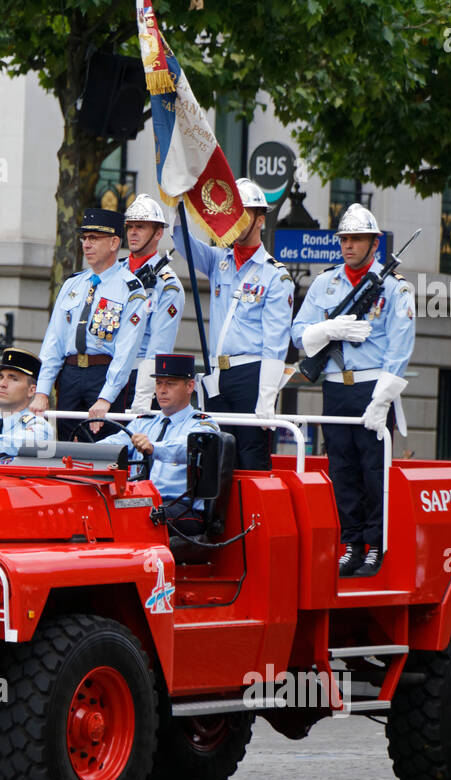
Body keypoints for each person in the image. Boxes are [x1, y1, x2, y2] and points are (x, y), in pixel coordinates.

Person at [291, 203, 415, 578]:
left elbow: (400, 345)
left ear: (374, 243)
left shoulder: (394, 288)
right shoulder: (325, 283)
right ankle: (352, 544)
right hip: (335, 388)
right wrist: (327, 331)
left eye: (357, 239)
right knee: (342, 470)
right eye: (344, 239)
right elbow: (298, 332)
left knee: (373, 471)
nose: (349, 245)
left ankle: (376, 545)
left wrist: (382, 400)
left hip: (371, 389)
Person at [173, 177, 294, 470]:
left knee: (251, 456)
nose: (237, 221)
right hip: (218, 373)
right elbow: (182, 241)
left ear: (260, 220)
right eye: (233, 214)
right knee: (218, 460)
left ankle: (255, 517)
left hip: (252, 374)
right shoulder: (219, 260)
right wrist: (176, 202)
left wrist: (267, 395)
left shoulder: (275, 276)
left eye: (245, 215)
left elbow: (276, 342)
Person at [32, 207, 151, 441]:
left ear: (114, 242)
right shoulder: (73, 284)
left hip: (103, 374)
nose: (86, 244)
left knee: (103, 447)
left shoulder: (130, 289)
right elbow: (53, 341)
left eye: (94, 238)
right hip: (70, 374)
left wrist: (106, 397)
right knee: (67, 446)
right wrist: (42, 391)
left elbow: (126, 351)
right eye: (84, 238)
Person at [95, 353, 219, 536]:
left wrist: (154, 447)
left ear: (190, 386)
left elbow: (188, 446)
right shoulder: (143, 423)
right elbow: (115, 442)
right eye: (159, 383)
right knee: (94, 510)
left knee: (137, 515)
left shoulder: (202, 425)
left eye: (170, 384)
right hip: (140, 499)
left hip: (181, 507)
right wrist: (89, 450)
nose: (162, 390)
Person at [119, 194, 185, 414]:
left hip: (137, 375)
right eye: (130, 227)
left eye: (141, 227)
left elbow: (158, 346)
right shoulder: (115, 273)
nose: (133, 233)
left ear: (158, 233)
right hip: (107, 372)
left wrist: (143, 398)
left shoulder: (167, 285)